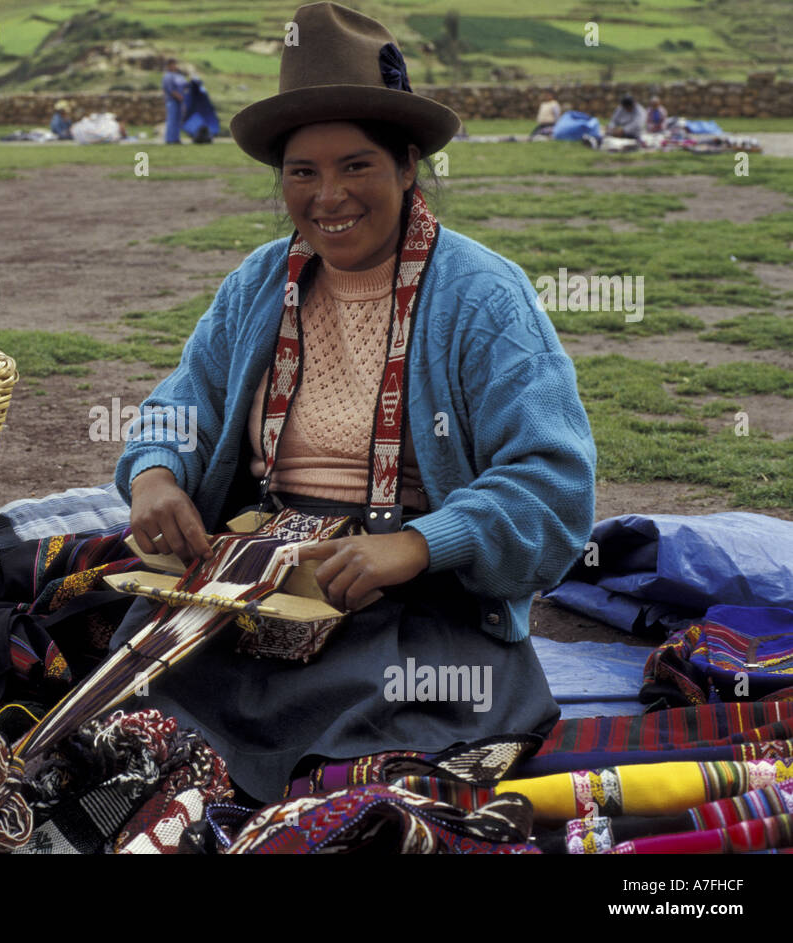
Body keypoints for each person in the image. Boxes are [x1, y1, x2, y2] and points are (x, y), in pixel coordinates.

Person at [113, 1, 597, 804]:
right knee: (135, 696)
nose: (327, 195)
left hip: (418, 587)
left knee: (379, 738)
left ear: (408, 166)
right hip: (259, 572)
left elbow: (553, 483)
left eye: (357, 166)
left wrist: (411, 546)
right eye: (303, 171)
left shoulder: (486, 299)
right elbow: (179, 402)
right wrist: (156, 475)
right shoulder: (260, 283)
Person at [162, 58, 187, 144]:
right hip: (172, 101)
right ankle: (169, 139)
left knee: (178, 120)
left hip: (179, 102)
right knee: (171, 120)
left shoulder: (178, 76)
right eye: (172, 65)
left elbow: (184, 86)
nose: (174, 66)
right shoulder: (167, 76)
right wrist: (178, 96)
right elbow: (170, 89)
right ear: (169, 66)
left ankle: (176, 138)